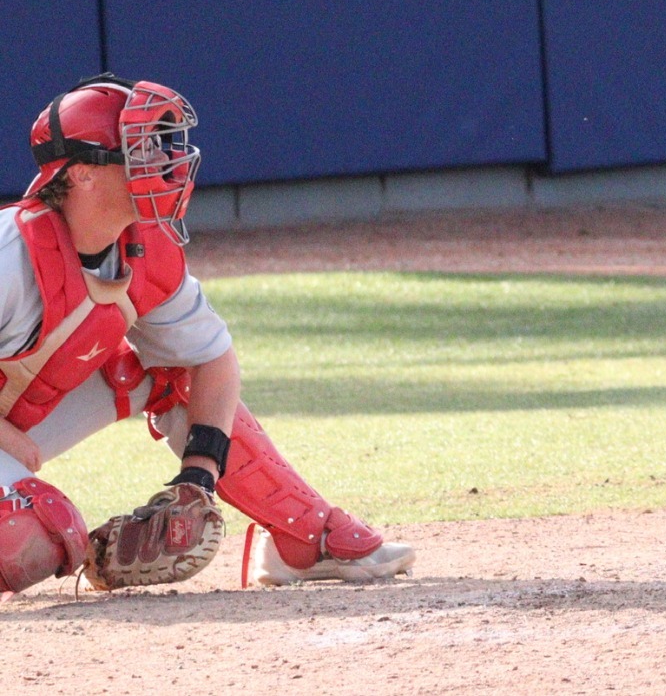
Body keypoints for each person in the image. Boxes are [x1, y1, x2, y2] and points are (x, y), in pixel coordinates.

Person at [0, 74, 413, 594]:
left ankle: (304, 539)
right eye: (138, 150)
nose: (161, 163)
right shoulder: (11, 253)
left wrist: (198, 476)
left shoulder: (145, 249)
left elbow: (211, 360)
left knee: (166, 372)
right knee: (35, 537)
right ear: (82, 174)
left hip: (19, 425)